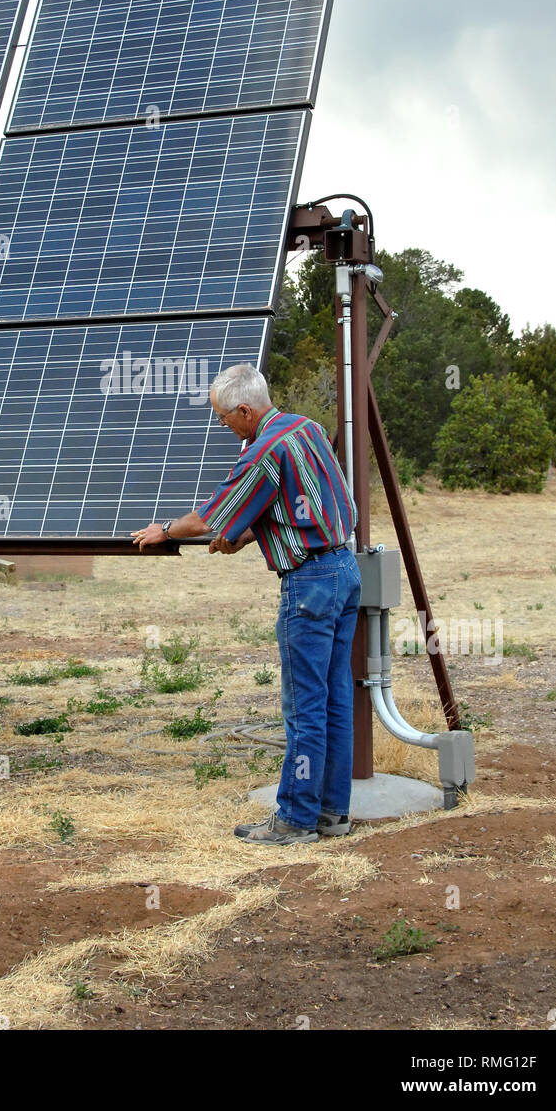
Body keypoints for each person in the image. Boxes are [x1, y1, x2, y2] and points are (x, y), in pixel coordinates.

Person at [132, 362, 362, 845]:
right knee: (336, 698)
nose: (223, 427)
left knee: (304, 705)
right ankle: (330, 813)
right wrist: (249, 531)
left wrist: (165, 530)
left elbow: (213, 515)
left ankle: (295, 820)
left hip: (309, 583)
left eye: (224, 418)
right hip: (344, 570)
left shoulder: (263, 451)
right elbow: (302, 501)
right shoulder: (307, 429)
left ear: (244, 409)